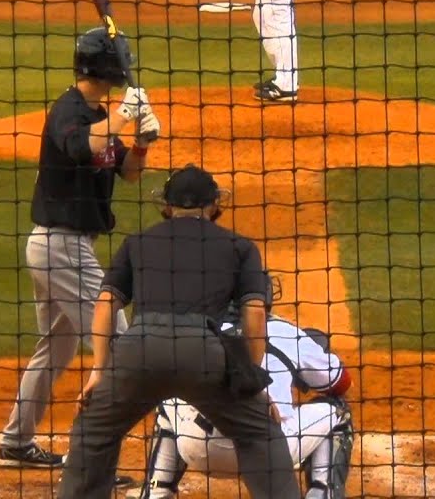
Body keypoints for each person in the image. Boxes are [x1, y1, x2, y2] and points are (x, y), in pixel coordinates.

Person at [57, 165, 301, 499]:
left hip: (138, 351)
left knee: (94, 431)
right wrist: (254, 381)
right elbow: (255, 313)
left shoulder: (137, 242)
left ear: (168, 206)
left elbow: (104, 306)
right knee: (260, 434)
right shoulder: (239, 246)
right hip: (203, 355)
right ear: (214, 204)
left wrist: (100, 370)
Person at [0, 24, 161, 471]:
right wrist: (126, 115)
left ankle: (15, 442)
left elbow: (124, 171)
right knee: (121, 345)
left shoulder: (96, 114)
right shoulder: (70, 111)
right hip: (61, 246)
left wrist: (142, 142)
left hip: (59, 247)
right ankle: (94, 460)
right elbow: (79, 147)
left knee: (56, 350)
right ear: (109, 66)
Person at [128, 274, 354, 499]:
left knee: (170, 400)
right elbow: (340, 382)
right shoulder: (287, 332)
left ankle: (155, 491)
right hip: (268, 455)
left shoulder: (194, 331)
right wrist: (299, 365)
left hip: (197, 447)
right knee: (339, 411)